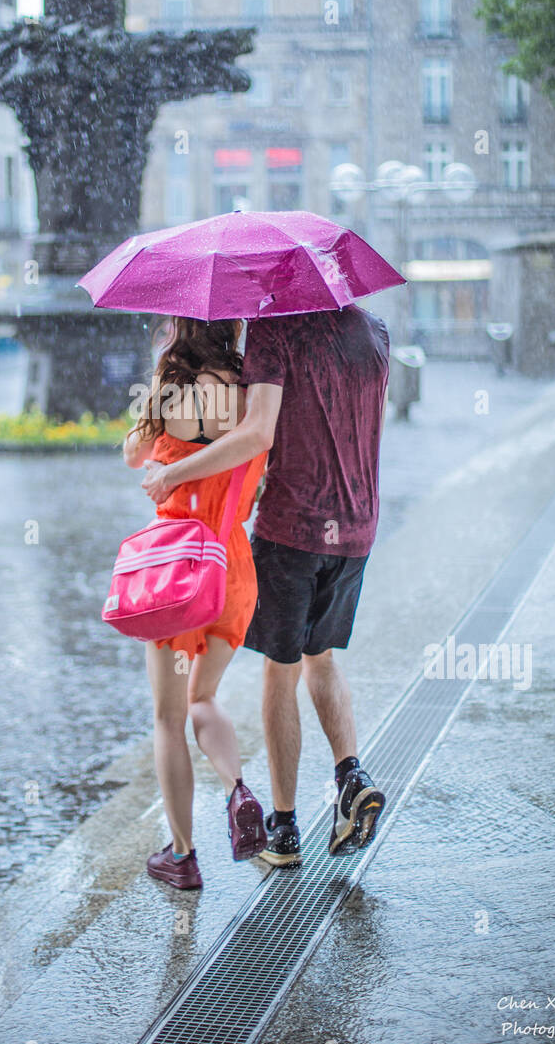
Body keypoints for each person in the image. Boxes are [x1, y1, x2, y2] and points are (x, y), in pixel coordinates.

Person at [142, 304, 390, 867]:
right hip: (356, 527)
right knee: (320, 659)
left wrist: (174, 473)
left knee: (280, 674)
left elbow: (259, 432)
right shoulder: (374, 331)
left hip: (293, 529)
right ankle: (351, 776)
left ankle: (282, 828)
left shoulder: (278, 332)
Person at [123, 316, 270, 890]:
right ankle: (238, 789)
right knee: (203, 696)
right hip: (231, 568)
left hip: (177, 572)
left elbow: (135, 457)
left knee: (168, 717)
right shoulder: (252, 393)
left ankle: (182, 855)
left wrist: (155, 399)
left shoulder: (171, 386)